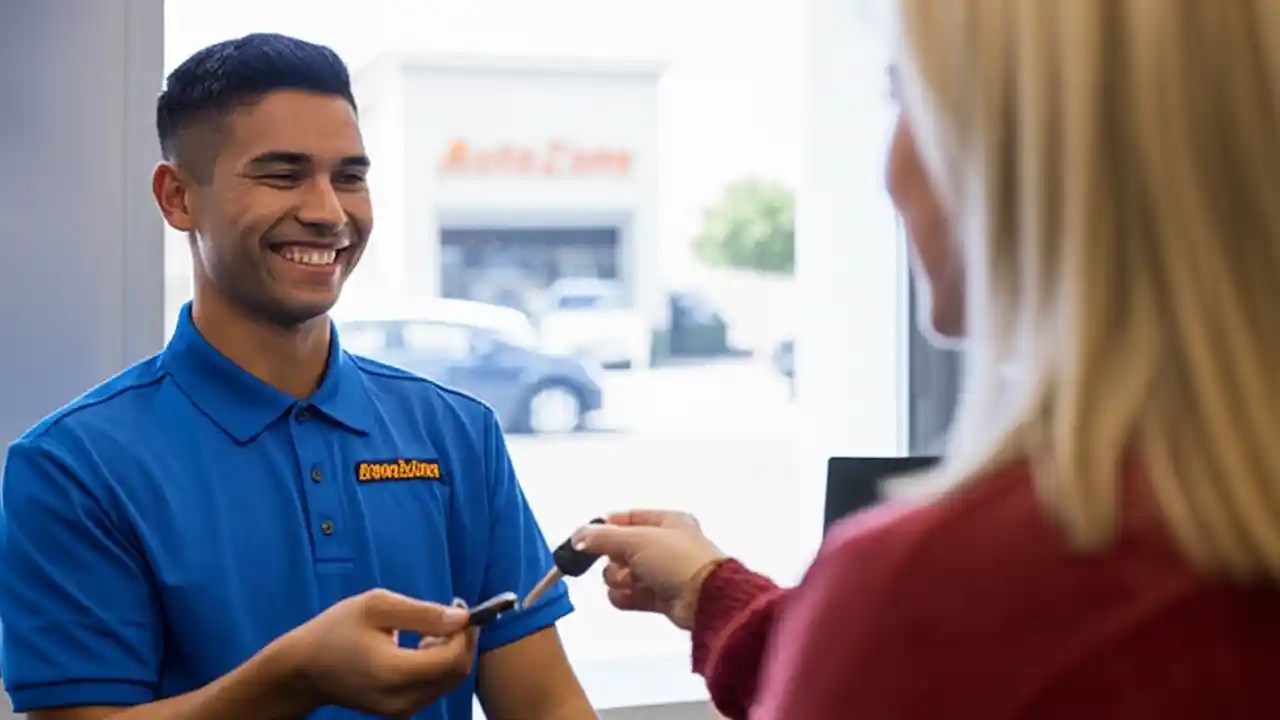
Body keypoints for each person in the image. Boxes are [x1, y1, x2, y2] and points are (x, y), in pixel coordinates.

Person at [573, 1, 1280, 718]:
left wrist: (852, 623)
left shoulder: (944, 589)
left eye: (909, 101)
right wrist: (710, 591)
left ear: (1028, 155)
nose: (888, 171)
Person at [0, 33, 596, 720]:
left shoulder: (457, 433)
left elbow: (546, 702)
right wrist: (293, 677)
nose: (327, 211)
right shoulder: (74, 467)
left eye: (349, 176)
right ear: (177, 199)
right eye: (282, 175)